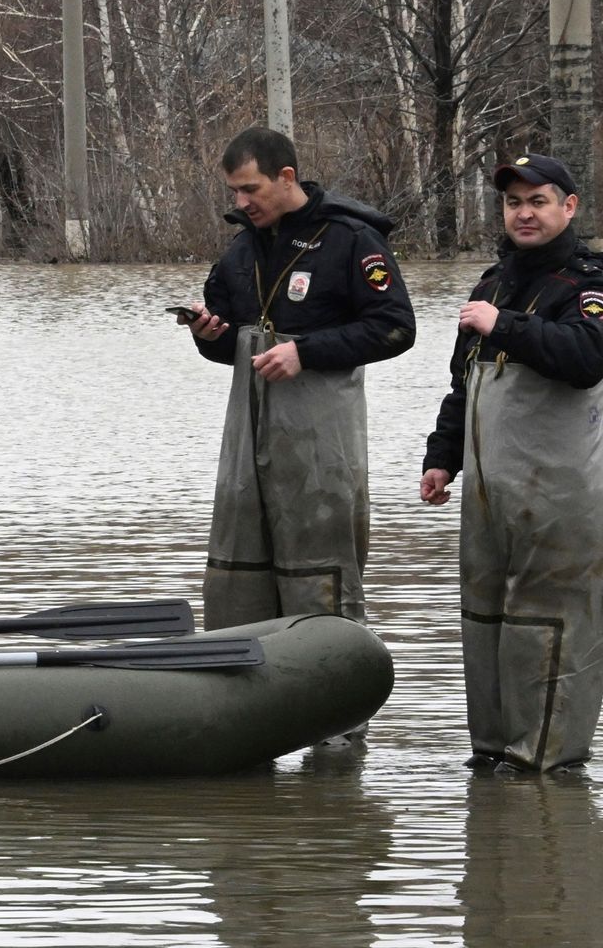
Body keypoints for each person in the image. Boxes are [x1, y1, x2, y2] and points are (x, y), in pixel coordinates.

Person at [182, 126, 415, 633]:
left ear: (286, 177)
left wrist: (305, 353)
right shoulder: (240, 252)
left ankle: (337, 704)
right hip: (248, 448)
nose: (242, 203)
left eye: (251, 189)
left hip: (320, 451)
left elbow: (395, 328)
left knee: (321, 592)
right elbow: (228, 346)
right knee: (238, 587)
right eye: (235, 192)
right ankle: (244, 704)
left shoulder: (352, 239)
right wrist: (208, 333)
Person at [418, 154, 603, 771]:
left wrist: (507, 326)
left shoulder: (590, 284)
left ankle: (548, 763)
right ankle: (494, 757)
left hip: (562, 495)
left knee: (552, 621)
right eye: (513, 202)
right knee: (485, 618)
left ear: (568, 207)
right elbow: (460, 386)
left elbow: (584, 359)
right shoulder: (490, 283)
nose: (523, 213)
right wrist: (441, 459)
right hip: (490, 495)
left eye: (538, 201)